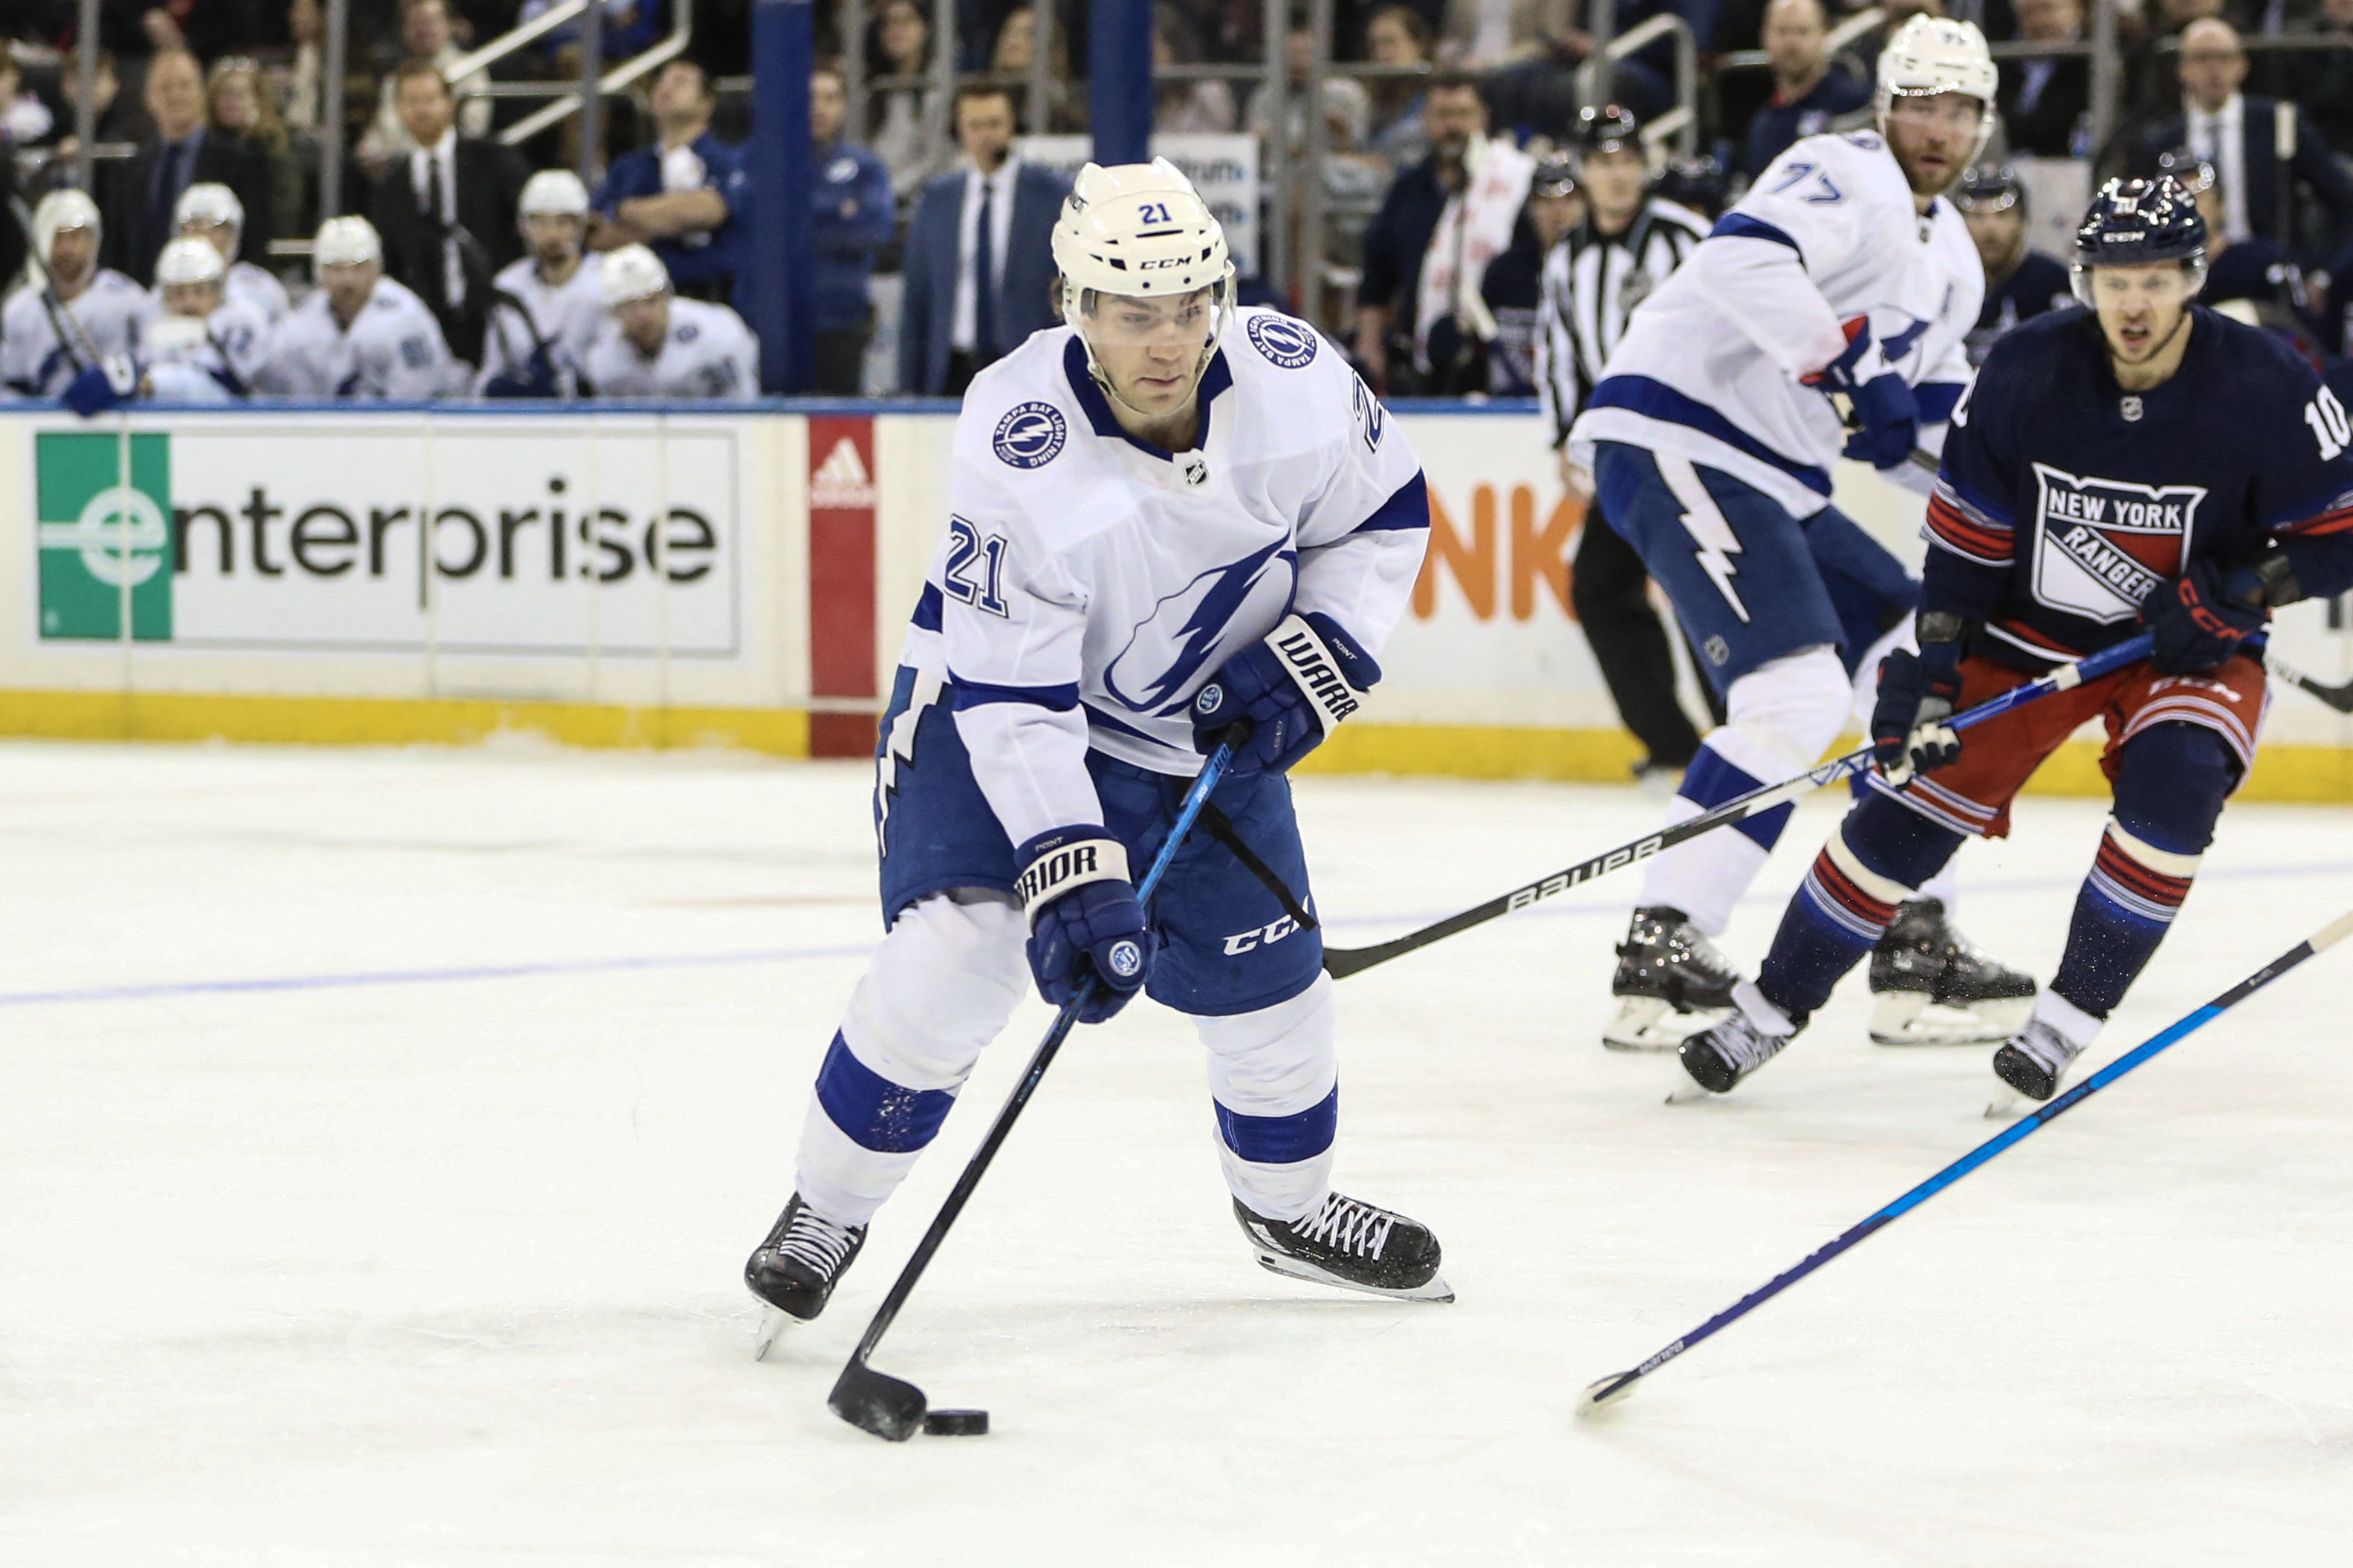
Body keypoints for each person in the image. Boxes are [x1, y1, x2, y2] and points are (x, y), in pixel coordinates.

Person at [741, 158, 1447, 1344]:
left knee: (1274, 995)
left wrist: (1318, 653)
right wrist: (1070, 863)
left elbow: (1379, 522)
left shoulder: (1295, 380)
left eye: (1187, 307)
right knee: (960, 955)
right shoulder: (1019, 436)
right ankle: (827, 1206)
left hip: (1193, 731)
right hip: (997, 712)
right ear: (1074, 305)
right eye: (1132, 313)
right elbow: (1014, 693)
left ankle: (1288, 1209)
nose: (1166, 342)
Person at [1675, 176, 2353, 1102]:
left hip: (2187, 647)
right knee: (1904, 811)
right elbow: (1965, 542)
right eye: (2114, 282)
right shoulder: (2026, 370)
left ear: (2193, 279)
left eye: (2155, 281)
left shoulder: (2267, 383)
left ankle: (2063, 1023)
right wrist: (1933, 666)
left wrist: (2247, 588)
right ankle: (1767, 1009)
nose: (2133, 306)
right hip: (2024, 631)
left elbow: (2336, 536)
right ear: (2084, 282)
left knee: (2177, 784)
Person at [1565, 17, 2036, 1053]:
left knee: (1920, 662)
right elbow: (1739, 258)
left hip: (1775, 476)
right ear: (1885, 106)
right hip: (1680, 435)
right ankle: (1662, 942)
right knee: (1794, 695)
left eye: (1958, 110)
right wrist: (1843, 365)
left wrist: (2031, 501)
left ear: (1982, 123)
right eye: (1919, 103)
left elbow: (1926, 420)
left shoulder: (1953, 259)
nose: (1937, 127)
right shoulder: (1842, 168)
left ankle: (1911, 933)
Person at [1534, 105, 1711, 787]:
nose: (1618, 175)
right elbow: (1559, 351)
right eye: (1604, 162)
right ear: (1582, 171)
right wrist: (1564, 438)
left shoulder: (1683, 237)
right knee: (1600, 588)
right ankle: (1672, 742)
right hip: (1621, 452)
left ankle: (1741, 734)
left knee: (1700, 587)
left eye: (1629, 161)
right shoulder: (1567, 258)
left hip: (1690, 446)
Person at [1355, 73, 1529, 395]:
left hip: (1499, 359)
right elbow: (1377, 278)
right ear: (1425, 120)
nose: (1453, 126)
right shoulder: (1407, 192)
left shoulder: (1515, 181)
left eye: (1463, 114)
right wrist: (1371, 347)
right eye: (1443, 115)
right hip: (1424, 362)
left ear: (1483, 118)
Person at [898, 82, 1069, 396]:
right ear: (959, 130)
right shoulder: (937, 199)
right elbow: (918, 298)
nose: (986, 135)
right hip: (952, 369)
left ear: (1012, 125)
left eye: (994, 124)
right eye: (975, 126)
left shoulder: (1051, 195)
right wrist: (909, 384)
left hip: (1027, 366)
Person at [2135, 18, 2353, 262]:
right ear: (2182, 69)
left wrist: (2322, 270)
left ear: (2242, 65)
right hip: (2190, 267)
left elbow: (2342, 197)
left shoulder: (2278, 123)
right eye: (2202, 58)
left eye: (2224, 58)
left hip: (2269, 265)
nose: (2214, 69)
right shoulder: (2161, 141)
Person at [367, 56, 529, 366]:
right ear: (398, 110)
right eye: (411, 101)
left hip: (494, 317)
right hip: (425, 328)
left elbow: (525, 221)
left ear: (450, 105)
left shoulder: (493, 160)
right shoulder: (390, 186)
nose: (422, 110)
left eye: (430, 99)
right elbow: (390, 262)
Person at [99, 48, 270, 286]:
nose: (176, 96)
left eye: (184, 85)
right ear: (148, 99)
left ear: (201, 93)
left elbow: (254, 241)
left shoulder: (238, 162)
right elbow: (118, 249)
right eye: (165, 87)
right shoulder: (132, 169)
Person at [590, 59, 749, 307]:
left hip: (709, 296)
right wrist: (671, 219)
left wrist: (626, 213)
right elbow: (596, 234)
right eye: (661, 82)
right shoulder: (629, 166)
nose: (666, 88)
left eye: (680, 82)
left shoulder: (727, 160)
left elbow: (705, 212)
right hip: (635, 301)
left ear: (707, 102)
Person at [259, 215, 454, 400]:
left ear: (377, 270)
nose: (348, 280)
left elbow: (415, 402)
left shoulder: (406, 318)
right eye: (336, 269)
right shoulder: (300, 324)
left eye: (359, 267)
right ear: (319, 274)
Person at [1, 190, 153, 400]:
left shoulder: (127, 299)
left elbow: (154, 366)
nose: (66, 248)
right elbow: (10, 385)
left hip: (117, 415)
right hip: (42, 415)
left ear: (93, 240)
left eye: (75, 237)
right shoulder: (20, 309)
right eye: (58, 238)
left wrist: (126, 381)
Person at [476, 169, 604, 397]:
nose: (551, 234)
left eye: (563, 222)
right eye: (540, 223)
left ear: (581, 226)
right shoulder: (508, 286)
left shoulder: (607, 280)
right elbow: (493, 365)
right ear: (523, 227)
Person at [809, 61, 894, 395]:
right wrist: (838, 210)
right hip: (773, 322)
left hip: (841, 319)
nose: (819, 108)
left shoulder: (865, 167)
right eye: (811, 98)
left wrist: (806, 217)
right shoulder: (767, 162)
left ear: (844, 105)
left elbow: (873, 231)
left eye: (830, 98)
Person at [584, 241, 759, 400]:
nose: (643, 315)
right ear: (614, 313)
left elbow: (743, 407)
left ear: (667, 297)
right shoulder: (604, 360)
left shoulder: (717, 333)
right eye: (629, 307)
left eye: (651, 301)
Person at [1481, 156, 1583, 397]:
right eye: (1546, 202)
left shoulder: (1600, 272)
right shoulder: (1503, 272)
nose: (1558, 213)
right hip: (1506, 407)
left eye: (1568, 200)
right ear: (1531, 209)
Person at [353, 0, 492, 176]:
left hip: (456, 170)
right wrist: (369, 151)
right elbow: (380, 132)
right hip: (398, 173)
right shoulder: (393, 81)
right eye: (415, 23)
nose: (424, 30)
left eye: (431, 20)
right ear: (403, 30)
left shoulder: (471, 70)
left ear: (450, 24)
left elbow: (473, 132)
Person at [1955, 165, 2073, 366]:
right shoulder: (1944, 283)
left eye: (2002, 215)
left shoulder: (2055, 285)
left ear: (2022, 221)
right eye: (1977, 216)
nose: (1990, 228)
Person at [1742, 0, 1872, 178]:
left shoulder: (1857, 106)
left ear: (1824, 34)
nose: (1791, 43)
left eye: (1802, 32)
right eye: (1782, 31)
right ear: (1764, 37)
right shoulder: (1763, 122)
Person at [143, 232, 271, 399]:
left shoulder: (242, 322)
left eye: (199, 291)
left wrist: (159, 382)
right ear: (166, 297)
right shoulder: (153, 326)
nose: (189, 302)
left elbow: (232, 392)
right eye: (179, 293)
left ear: (217, 292)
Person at [205, 54, 304, 246]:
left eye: (240, 95)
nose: (231, 102)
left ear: (258, 99)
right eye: (224, 94)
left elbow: (284, 214)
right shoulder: (203, 150)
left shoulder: (274, 150)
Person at [864, 0, 951, 202]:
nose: (895, 30)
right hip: (873, 200)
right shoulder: (870, 89)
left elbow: (935, 160)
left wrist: (888, 190)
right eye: (888, 23)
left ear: (926, 29)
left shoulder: (938, 88)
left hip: (920, 201)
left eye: (906, 21)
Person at [174, 181, 291, 324]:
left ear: (233, 235)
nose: (205, 235)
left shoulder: (262, 289)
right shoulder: (165, 291)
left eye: (216, 228)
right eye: (194, 226)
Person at [2000, 0, 2090, 157]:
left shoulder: (2091, 63)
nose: (2039, 21)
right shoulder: (2006, 62)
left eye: (2048, 8)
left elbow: (2059, 126)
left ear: (2076, 10)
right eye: (2028, 13)